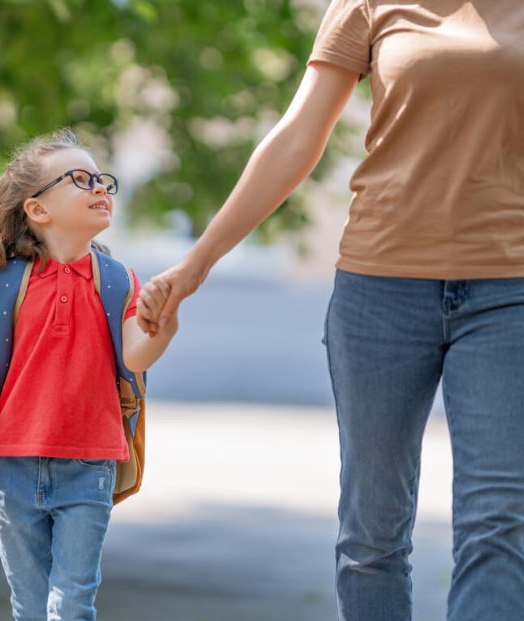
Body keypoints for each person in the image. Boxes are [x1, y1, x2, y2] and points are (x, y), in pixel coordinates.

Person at [137, 1, 524, 619]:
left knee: (500, 524)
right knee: (370, 536)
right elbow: (296, 138)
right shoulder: (368, 5)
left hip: (510, 289)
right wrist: (198, 261)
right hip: (379, 291)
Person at [0, 128, 177, 621]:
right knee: (30, 607)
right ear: (38, 209)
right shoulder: (7, 284)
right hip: (12, 465)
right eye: (81, 179)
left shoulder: (117, 280)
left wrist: (163, 328)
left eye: (103, 180)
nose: (101, 188)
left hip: (89, 467)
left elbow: (136, 356)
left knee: (73, 604)